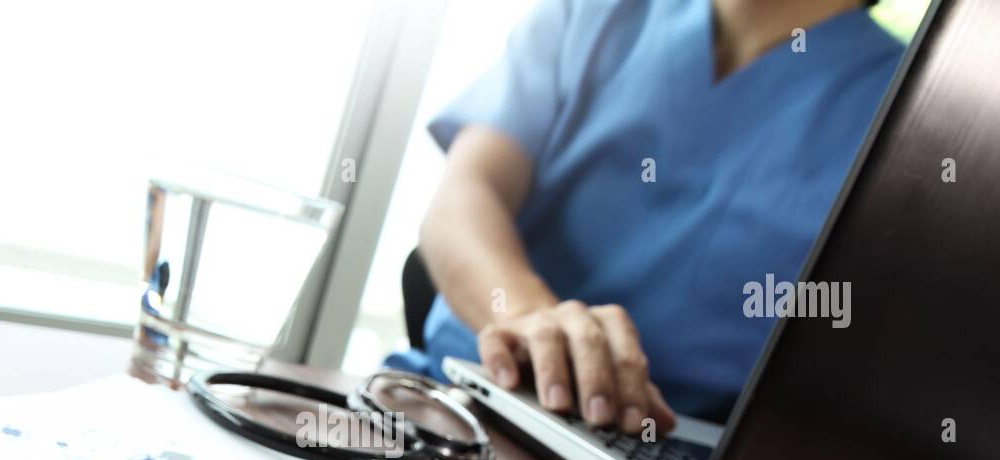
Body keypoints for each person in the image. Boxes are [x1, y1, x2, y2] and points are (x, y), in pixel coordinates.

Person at [387, 0, 904, 432]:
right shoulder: (599, 12)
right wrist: (527, 319)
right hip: (450, 406)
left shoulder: (912, 115)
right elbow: (465, 195)